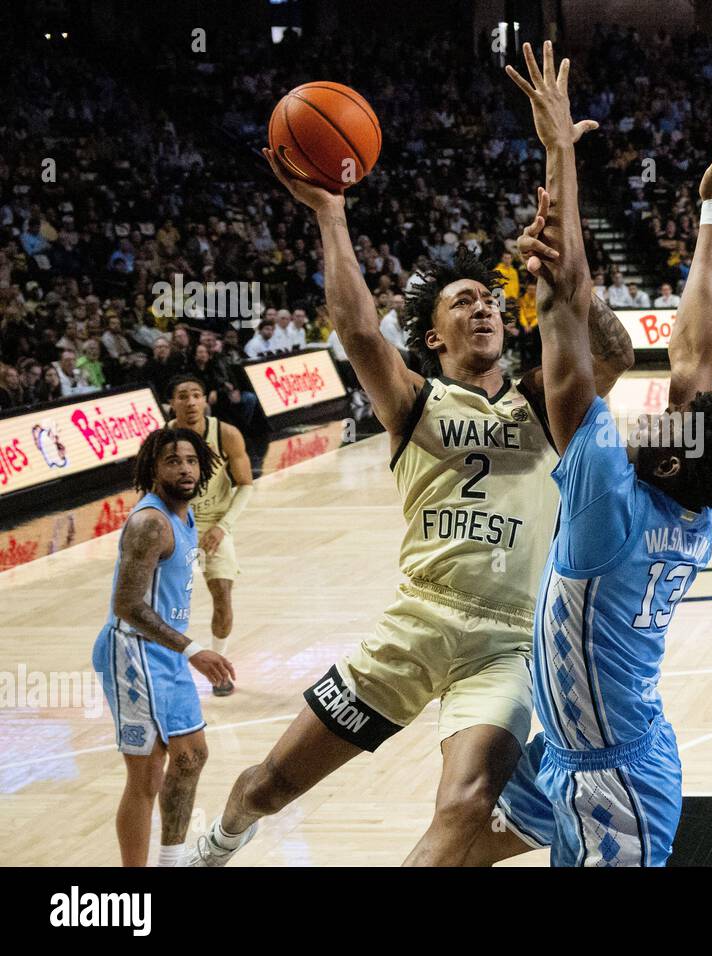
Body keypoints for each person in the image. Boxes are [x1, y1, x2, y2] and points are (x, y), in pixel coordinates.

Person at [187, 110, 633, 867]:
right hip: (414, 625)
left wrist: (565, 276)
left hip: (508, 643)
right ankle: (216, 845)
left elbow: (614, 352)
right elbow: (360, 330)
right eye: (463, 301)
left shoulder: (543, 405)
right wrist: (331, 214)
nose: (484, 306)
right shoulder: (414, 401)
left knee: (465, 806)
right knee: (268, 784)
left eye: (490, 299)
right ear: (432, 338)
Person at [479, 49, 712, 866]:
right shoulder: (686, 502)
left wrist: (560, 154)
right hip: (582, 755)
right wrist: (710, 214)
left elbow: (568, 310)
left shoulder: (608, 498)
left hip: (617, 782)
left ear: (674, 460)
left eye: (673, 426)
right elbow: (694, 358)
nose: (662, 416)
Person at [91, 427, 236, 865]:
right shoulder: (150, 523)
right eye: (173, 461)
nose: (185, 469)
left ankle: (171, 862)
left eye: (191, 460)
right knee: (147, 774)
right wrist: (194, 651)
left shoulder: (186, 516)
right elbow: (127, 604)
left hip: (163, 652)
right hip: (132, 654)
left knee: (191, 757)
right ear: (153, 468)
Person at [166, 375, 254, 696]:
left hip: (216, 522)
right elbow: (150, 492)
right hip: (177, 525)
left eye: (196, 395)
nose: (190, 402)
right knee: (169, 606)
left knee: (222, 597)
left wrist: (223, 526)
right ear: (172, 403)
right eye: (182, 396)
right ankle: (172, 667)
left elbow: (245, 484)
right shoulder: (160, 440)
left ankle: (220, 668)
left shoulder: (226, 434)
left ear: (206, 399)